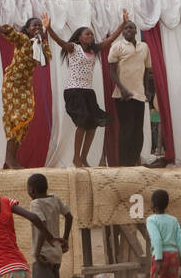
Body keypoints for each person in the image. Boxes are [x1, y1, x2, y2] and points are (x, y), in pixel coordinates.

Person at [0, 9, 52, 169]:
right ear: (27, 30)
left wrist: (40, 42)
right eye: (34, 26)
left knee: (25, 118)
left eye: (40, 26)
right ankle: (11, 159)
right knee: (16, 118)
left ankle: (11, 157)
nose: (37, 28)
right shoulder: (22, 40)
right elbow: (4, 30)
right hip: (12, 83)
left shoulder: (41, 45)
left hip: (25, 86)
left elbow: (44, 63)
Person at [46, 9, 130, 168]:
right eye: (87, 34)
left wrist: (123, 23)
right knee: (83, 124)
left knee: (93, 125)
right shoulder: (73, 48)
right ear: (79, 37)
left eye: (91, 34)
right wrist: (49, 28)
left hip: (88, 92)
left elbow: (111, 38)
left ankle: (84, 157)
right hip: (74, 91)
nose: (90, 36)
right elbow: (60, 42)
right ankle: (75, 158)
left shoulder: (94, 50)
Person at [108, 19, 154, 167]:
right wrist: (122, 89)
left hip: (139, 94)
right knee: (126, 129)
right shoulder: (117, 46)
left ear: (135, 31)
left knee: (138, 129)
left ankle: (134, 159)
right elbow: (112, 71)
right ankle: (124, 162)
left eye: (131, 28)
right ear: (122, 32)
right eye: (126, 28)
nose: (128, 30)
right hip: (123, 95)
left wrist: (146, 89)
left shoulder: (144, 47)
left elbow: (147, 70)